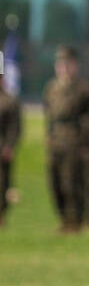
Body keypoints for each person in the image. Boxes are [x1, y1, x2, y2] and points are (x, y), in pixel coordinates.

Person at [43, 46, 89, 233]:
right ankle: (63, 219)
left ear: (75, 65)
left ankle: (76, 220)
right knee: (55, 182)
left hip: (75, 141)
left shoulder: (84, 89)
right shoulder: (51, 88)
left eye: (68, 64)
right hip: (56, 142)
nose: (64, 68)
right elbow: (49, 116)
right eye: (60, 64)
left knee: (72, 182)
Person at [0, 70, 22, 226]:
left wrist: (9, 145)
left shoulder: (9, 101)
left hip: (2, 149)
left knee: (2, 183)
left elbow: (15, 127)